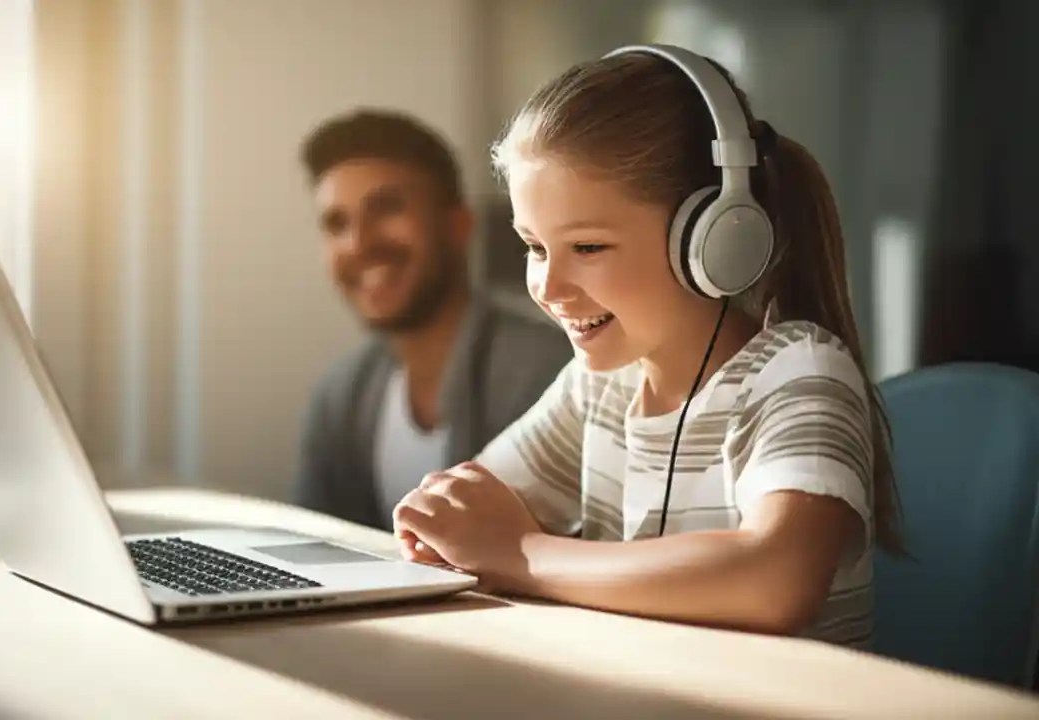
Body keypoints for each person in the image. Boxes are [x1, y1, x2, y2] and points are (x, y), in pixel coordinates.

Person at [391, 46, 902, 646]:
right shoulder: (600, 386)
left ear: (713, 239)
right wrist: (455, 530)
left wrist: (523, 553)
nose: (549, 288)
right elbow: (468, 515)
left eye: (587, 248)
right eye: (534, 247)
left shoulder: (798, 374)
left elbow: (776, 580)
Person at [295, 110, 571, 531]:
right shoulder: (340, 399)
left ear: (458, 225)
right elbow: (312, 560)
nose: (359, 243)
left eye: (386, 208)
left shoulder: (549, 373)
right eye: (337, 223)